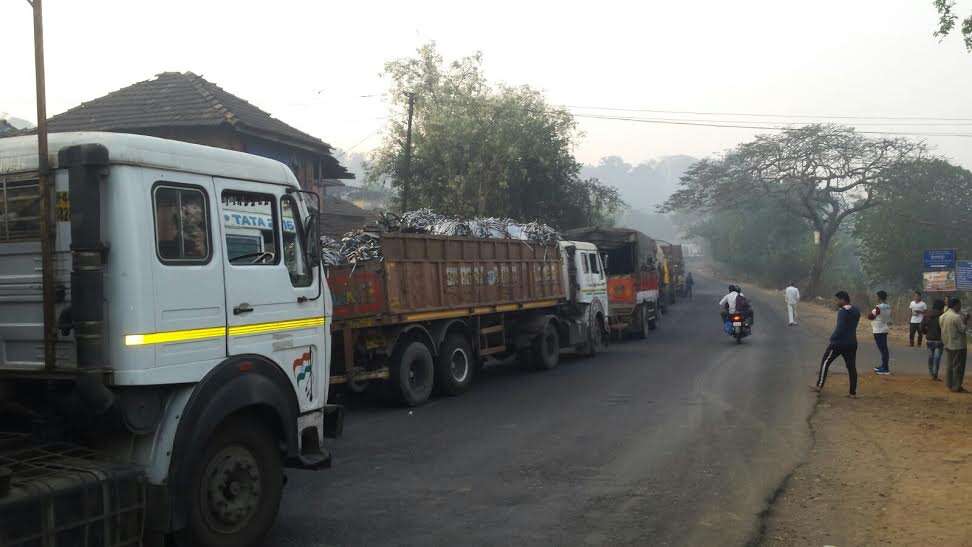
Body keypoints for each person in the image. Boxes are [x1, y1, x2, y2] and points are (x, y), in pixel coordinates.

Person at [813, 291, 860, 397]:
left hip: (839, 343)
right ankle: (852, 392)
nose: (836, 302)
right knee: (851, 367)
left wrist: (833, 338)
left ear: (843, 300)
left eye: (838, 300)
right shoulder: (856, 310)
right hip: (852, 342)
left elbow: (840, 327)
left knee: (825, 362)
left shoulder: (842, 311)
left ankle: (819, 386)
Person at [940, 297, 969, 393]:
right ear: (956, 305)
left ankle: (949, 384)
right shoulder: (956, 317)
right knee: (958, 366)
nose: (960, 307)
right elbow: (963, 329)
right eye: (959, 305)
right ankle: (956, 386)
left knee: (949, 365)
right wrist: (965, 320)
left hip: (947, 343)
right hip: (958, 345)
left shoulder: (943, 316)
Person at [868, 290, 892, 375]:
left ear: (879, 297)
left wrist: (871, 313)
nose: (876, 297)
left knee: (883, 350)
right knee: (883, 349)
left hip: (878, 329)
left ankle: (885, 368)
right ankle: (884, 366)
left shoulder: (878, 307)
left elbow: (870, 316)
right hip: (884, 328)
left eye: (876, 296)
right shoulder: (888, 306)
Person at [922, 299, 946, 381]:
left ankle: (931, 372)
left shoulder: (927, 315)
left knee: (930, 357)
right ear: (941, 307)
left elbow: (921, 327)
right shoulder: (943, 315)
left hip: (929, 339)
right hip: (939, 340)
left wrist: (926, 332)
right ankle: (935, 374)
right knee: (937, 358)